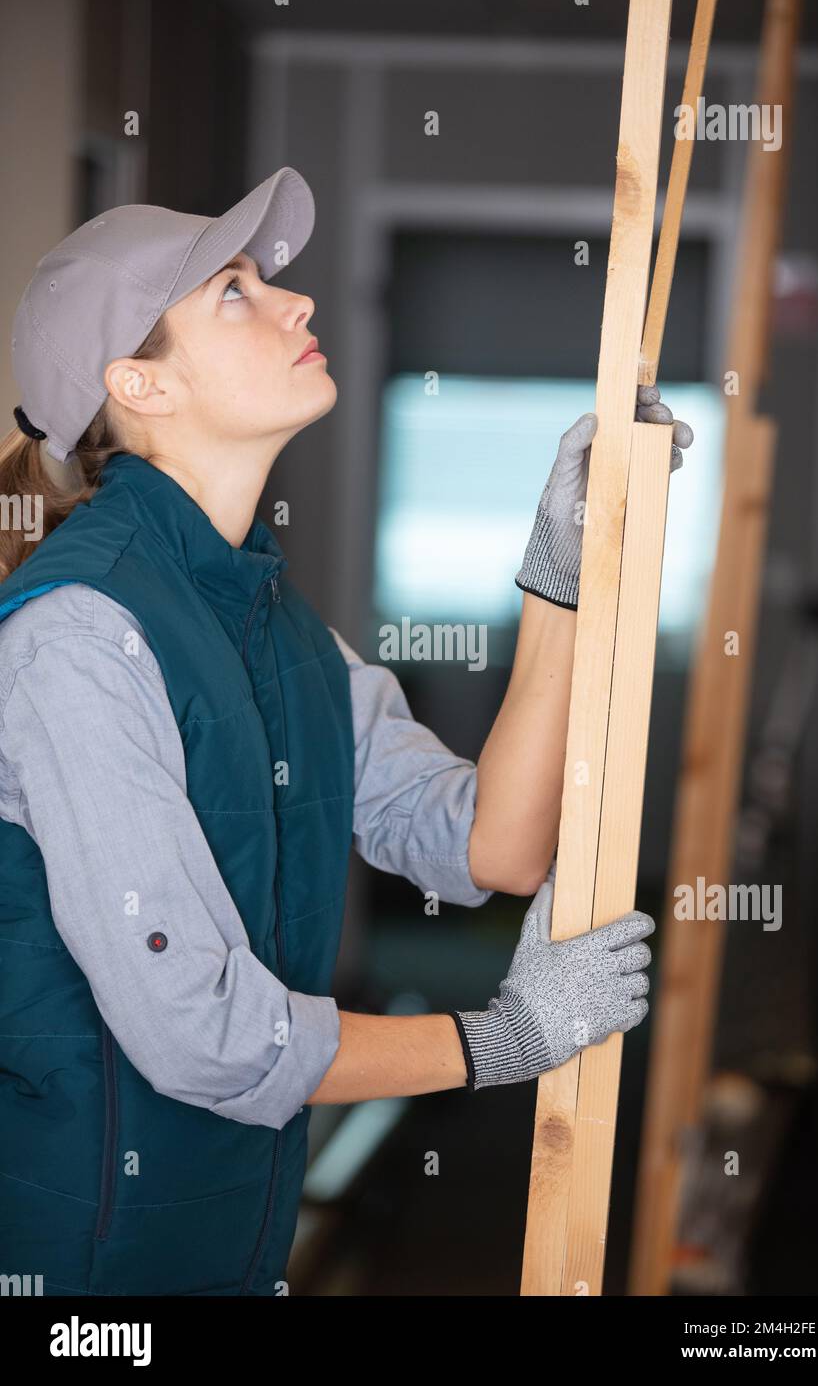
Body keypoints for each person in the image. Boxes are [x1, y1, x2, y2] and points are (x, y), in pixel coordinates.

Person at [0, 166, 692, 1297]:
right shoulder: (77, 639)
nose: (294, 301)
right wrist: (499, 1040)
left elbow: (486, 847)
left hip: (231, 1245)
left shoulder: (279, 631)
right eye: (232, 292)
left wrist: (560, 572)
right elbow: (201, 1033)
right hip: (89, 1272)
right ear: (139, 384)